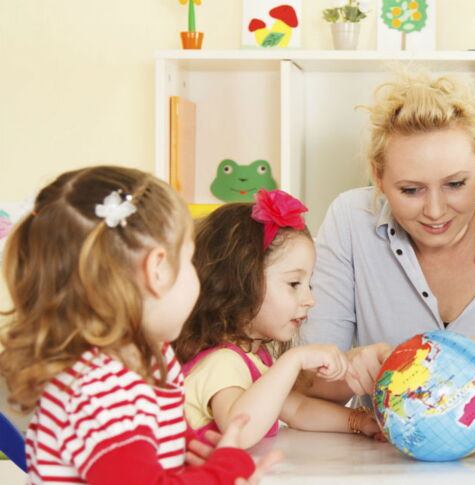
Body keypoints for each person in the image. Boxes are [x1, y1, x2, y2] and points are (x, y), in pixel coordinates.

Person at [0, 166, 278, 484]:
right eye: (189, 259)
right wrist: (221, 473)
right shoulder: (101, 389)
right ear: (156, 269)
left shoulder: (149, 363)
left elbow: (149, 450)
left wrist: (191, 452)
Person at [303, 69, 475, 355]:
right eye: (411, 190)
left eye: (456, 184)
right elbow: (315, 370)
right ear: (378, 175)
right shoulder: (350, 219)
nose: (435, 211)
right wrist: (353, 365)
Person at [173, 189, 383, 450]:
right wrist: (293, 360)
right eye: (294, 283)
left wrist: (359, 421)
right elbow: (239, 432)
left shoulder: (253, 358)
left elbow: (298, 408)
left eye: (310, 284)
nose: (310, 299)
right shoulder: (221, 362)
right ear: (238, 283)